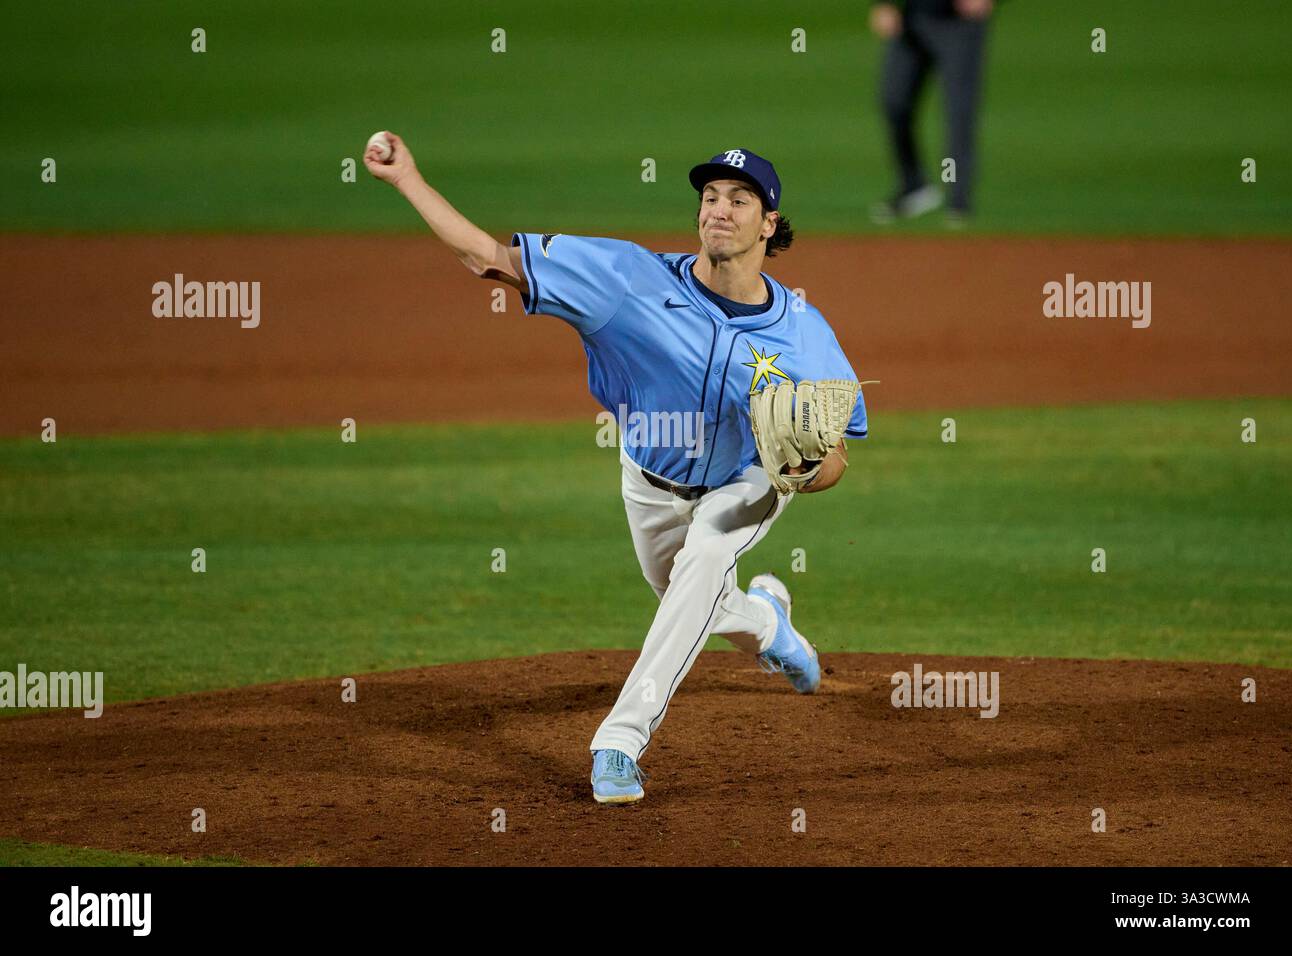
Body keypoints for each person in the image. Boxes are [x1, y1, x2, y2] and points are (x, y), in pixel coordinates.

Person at [366, 137, 868, 804]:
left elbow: (835, 461)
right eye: (710, 197)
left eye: (739, 200)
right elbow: (486, 257)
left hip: (745, 483)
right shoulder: (628, 281)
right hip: (648, 480)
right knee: (694, 597)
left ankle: (620, 743)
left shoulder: (806, 334)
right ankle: (771, 627)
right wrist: (408, 179)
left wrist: (802, 471)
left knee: (704, 561)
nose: (719, 209)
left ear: (769, 223)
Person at [869, 0, 996, 226]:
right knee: (894, 100)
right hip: (911, 16)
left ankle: (958, 201)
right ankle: (914, 185)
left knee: (958, 110)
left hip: (959, 21)